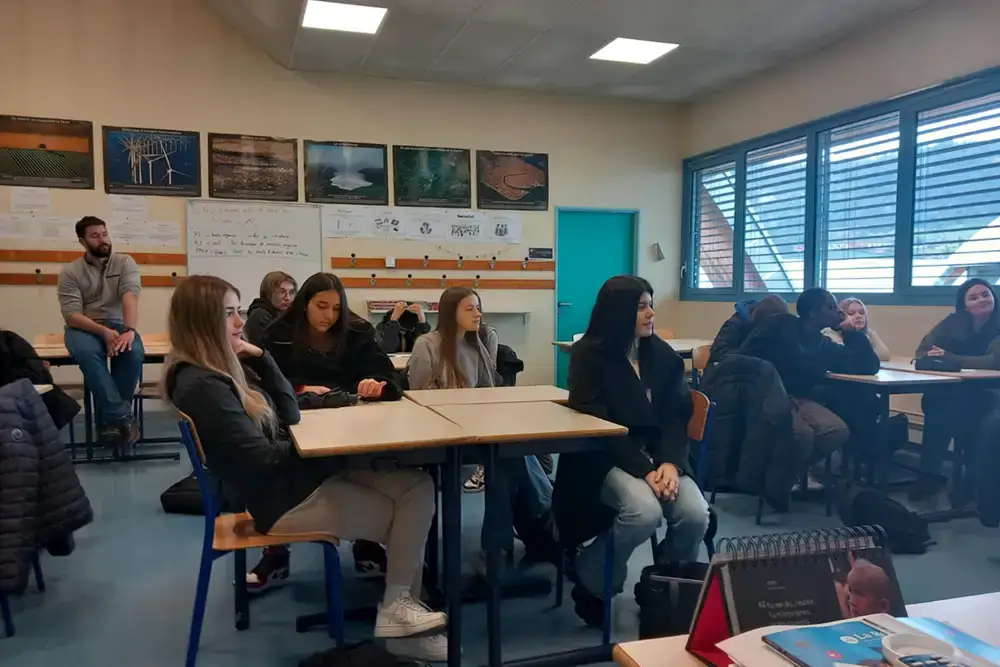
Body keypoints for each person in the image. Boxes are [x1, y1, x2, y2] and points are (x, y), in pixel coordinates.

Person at [162, 275, 447, 662]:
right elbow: (261, 460)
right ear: (200, 321)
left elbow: (290, 412)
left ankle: (398, 607)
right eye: (228, 313)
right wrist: (327, 455)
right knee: (406, 515)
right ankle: (403, 625)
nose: (239, 322)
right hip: (281, 502)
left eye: (238, 311)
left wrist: (262, 357)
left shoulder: (222, 370)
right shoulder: (202, 385)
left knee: (417, 485)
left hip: (293, 483)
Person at [553, 275, 710, 627]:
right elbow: (598, 425)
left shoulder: (662, 355)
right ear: (619, 311)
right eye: (642, 306)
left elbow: (676, 416)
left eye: (651, 304)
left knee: (696, 514)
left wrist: (670, 463)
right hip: (606, 456)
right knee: (643, 512)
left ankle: (663, 583)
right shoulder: (588, 357)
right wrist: (644, 468)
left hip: (661, 459)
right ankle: (593, 576)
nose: (651, 313)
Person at [256, 272, 401, 588]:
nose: (329, 316)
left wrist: (378, 385)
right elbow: (261, 385)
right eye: (322, 306)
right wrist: (300, 388)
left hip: (352, 423)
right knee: (281, 469)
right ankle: (276, 550)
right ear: (305, 304)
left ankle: (367, 543)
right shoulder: (277, 334)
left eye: (336, 309)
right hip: (296, 423)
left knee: (367, 465)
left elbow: (389, 378)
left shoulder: (357, 332)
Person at [407, 286, 558, 567]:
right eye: (470, 309)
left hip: (477, 430)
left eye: (478, 308)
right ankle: (544, 509)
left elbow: (490, 392)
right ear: (451, 313)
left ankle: (495, 549)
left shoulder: (478, 342)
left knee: (505, 461)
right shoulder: (427, 344)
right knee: (508, 455)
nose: (478, 314)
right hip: (440, 432)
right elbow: (420, 397)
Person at [738, 288, 879, 507]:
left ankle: (780, 476)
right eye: (831, 307)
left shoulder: (824, 345)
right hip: (764, 394)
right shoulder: (781, 324)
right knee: (801, 436)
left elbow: (868, 366)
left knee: (837, 431)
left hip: (798, 399)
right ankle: (774, 485)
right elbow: (744, 356)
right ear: (813, 313)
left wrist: (850, 332)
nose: (838, 312)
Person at [57, 216, 144, 446]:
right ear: (82, 241)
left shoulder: (125, 263)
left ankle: (110, 425)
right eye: (95, 236)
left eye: (104, 234)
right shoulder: (70, 272)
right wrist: (103, 332)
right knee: (87, 354)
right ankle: (122, 418)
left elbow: (129, 296)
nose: (103, 240)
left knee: (133, 351)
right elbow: (72, 315)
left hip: (119, 324)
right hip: (84, 327)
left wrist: (129, 330)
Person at [912, 278, 1000, 503]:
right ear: (963, 305)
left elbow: (993, 361)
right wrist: (936, 358)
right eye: (973, 297)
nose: (982, 299)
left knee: (954, 407)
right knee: (937, 401)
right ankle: (935, 475)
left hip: (991, 391)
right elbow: (923, 350)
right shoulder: (952, 323)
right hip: (956, 391)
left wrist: (951, 359)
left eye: (986, 294)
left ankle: (963, 479)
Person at [707, 295, 788, 366]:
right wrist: (747, 351)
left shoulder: (773, 327)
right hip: (726, 376)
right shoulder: (735, 324)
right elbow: (717, 354)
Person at [824, 298, 891, 362]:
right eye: (851, 313)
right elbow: (845, 357)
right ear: (841, 316)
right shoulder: (831, 333)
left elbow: (885, 354)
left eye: (861, 312)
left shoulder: (869, 333)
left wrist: (872, 335)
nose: (858, 316)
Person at [243, 271, 297, 345]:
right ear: (268, 293)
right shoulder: (260, 315)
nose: (288, 298)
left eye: (291, 292)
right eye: (281, 292)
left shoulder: (289, 314)